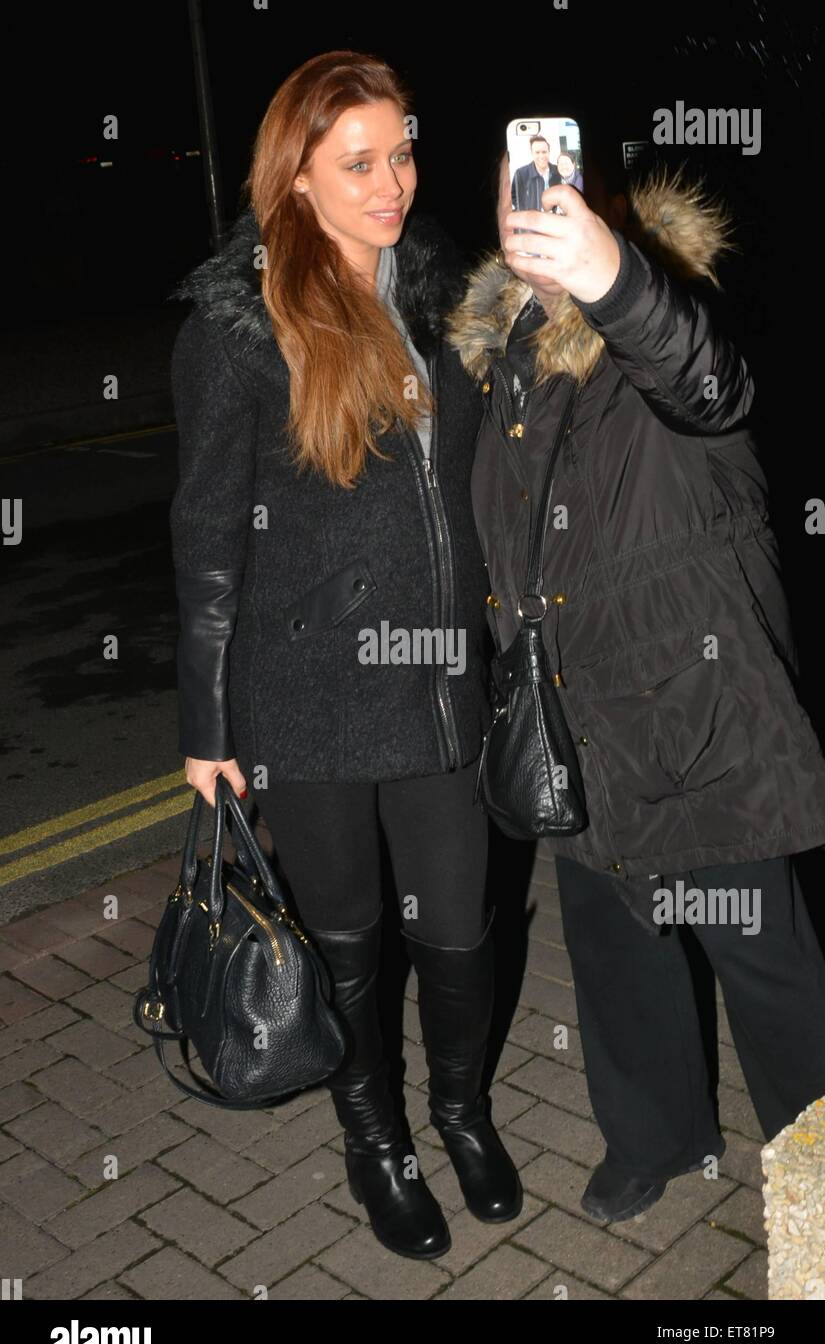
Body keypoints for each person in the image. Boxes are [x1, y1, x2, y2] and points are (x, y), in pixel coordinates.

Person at [168, 50, 521, 1260]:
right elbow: (208, 536)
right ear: (297, 180)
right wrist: (207, 728)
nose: (393, 184)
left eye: (402, 152)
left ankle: (462, 1112)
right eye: (358, 162)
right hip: (308, 695)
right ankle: (376, 1142)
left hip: (436, 686)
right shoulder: (243, 328)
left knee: (463, 930)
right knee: (352, 947)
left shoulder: (435, 305)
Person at [446, 138, 825, 1222]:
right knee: (613, 948)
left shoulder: (666, 313)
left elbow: (711, 384)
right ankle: (652, 1134)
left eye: (560, 184)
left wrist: (613, 275)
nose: (536, 204)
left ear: (602, 204)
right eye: (518, 185)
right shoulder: (500, 355)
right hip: (577, 721)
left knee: (767, 965)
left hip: (702, 716)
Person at [511, 135, 561, 212]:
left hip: (554, 220)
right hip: (532, 221)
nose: (541, 156)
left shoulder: (558, 171)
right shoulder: (520, 173)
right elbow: (514, 197)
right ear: (532, 153)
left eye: (544, 152)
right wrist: (525, 213)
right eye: (537, 152)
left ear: (549, 152)